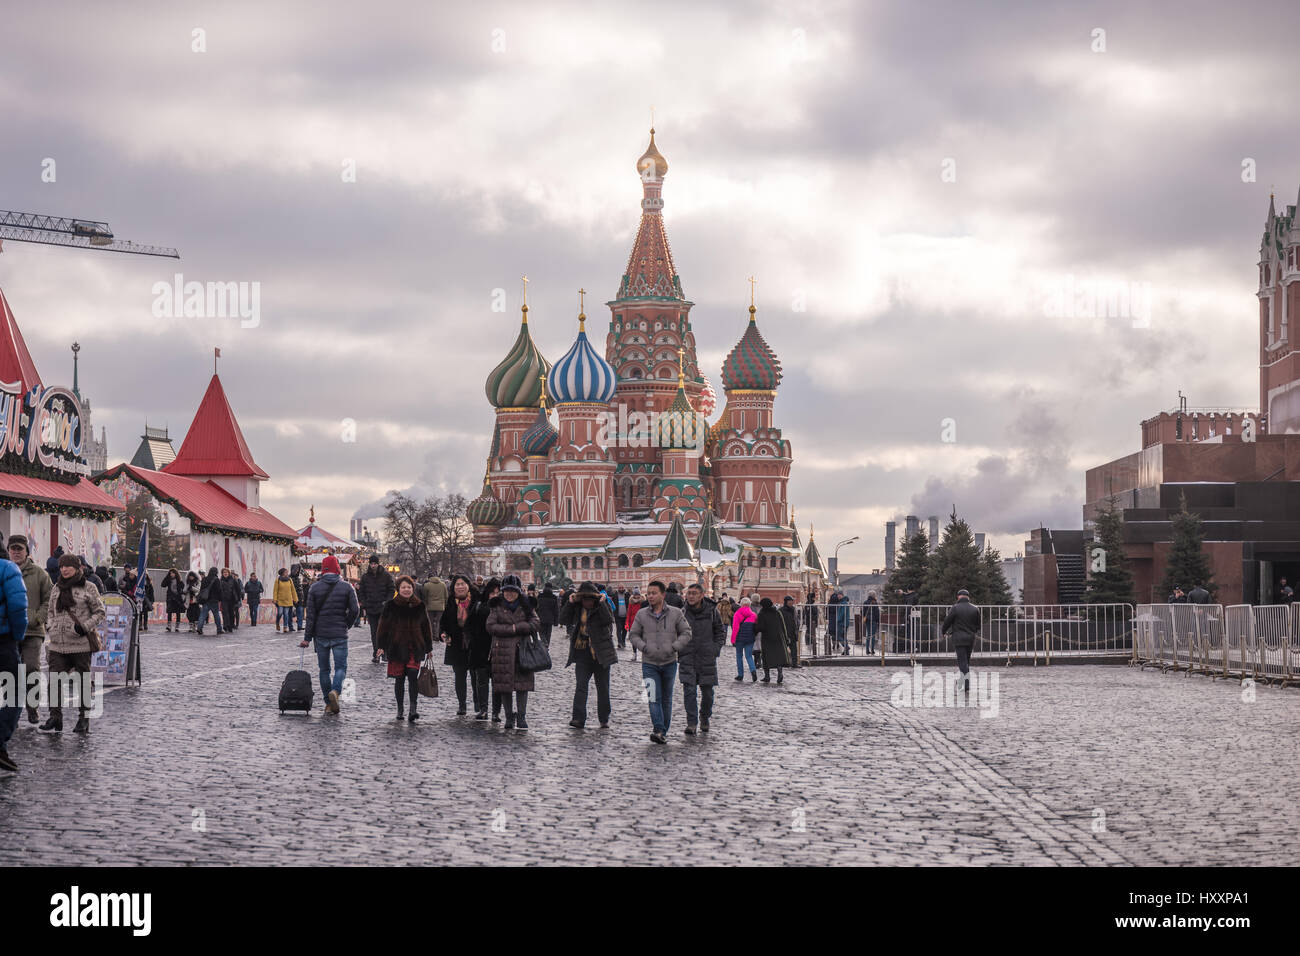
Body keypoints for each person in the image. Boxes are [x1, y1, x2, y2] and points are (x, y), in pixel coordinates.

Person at [42, 553, 102, 735]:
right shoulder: (56, 588)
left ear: (77, 568)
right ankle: (55, 717)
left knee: (82, 682)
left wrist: (84, 627)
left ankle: (84, 718)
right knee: (54, 682)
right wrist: (50, 626)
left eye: (67, 566)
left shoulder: (89, 587)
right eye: (61, 566)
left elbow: (99, 612)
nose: (64, 569)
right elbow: (50, 611)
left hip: (80, 644)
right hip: (57, 645)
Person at [629, 580, 691, 744]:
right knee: (652, 697)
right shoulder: (642, 614)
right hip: (649, 663)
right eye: (648, 593)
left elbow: (686, 632)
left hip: (669, 662)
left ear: (663, 595)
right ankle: (658, 729)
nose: (650, 596)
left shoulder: (676, 613)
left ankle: (663, 731)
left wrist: (675, 647)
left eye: (654, 593)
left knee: (666, 698)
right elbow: (633, 635)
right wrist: (643, 647)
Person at [298, 554, 359, 715]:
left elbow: (310, 616)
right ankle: (336, 692)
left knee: (324, 669)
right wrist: (346, 624)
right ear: (337, 568)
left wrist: (307, 638)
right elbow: (355, 610)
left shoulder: (314, 588)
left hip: (321, 635)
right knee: (341, 667)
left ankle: (327, 702)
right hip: (339, 634)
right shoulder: (347, 587)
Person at [561, 581, 617, 729]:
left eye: (590, 599)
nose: (588, 602)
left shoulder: (601, 607)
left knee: (603, 688)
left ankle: (604, 718)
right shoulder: (578, 608)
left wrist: (603, 603)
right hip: (583, 652)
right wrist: (570, 602)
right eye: (585, 599)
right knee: (581, 686)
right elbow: (562, 619)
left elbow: (608, 620)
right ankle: (578, 718)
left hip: (601, 653)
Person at [377, 575, 433, 722]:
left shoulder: (419, 605)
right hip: (397, 646)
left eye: (409, 587)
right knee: (400, 679)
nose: (406, 589)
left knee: (413, 675)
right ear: (398, 589)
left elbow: (426, 627)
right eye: (403, 587)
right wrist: (381, 646)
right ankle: (400, 709)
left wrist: (429, 648)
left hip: (415, 646)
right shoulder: (391, 605)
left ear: (412, 588)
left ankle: (413, 708)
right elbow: (383, 627)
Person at [485, 574, 537, 730]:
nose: (509, 594)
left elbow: (535, 623)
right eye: (506, 591)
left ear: (518, 592)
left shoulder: (527, 606)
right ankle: (508, 717)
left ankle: (521, 717)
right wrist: (511, 629)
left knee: (522, 686)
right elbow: (490, 626)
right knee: (504, 686)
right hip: (502, 651)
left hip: (522, 651)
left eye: (512, 591)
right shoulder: (496, 606)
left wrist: (518, 628)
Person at [7, 536, 48, 726]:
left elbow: (49, 599)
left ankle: (32, 708)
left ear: (27, 551)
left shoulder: (40, 574)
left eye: (19, 549)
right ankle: (10, 713)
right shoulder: (4, 571)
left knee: (32, 669)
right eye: (13, 549)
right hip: (9, 630)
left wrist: (37, 618)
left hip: (32, 632)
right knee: (9, 672)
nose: (16, 552)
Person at [440, 574, 491, 718]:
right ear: (453, 587)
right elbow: (444, 623)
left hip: (475, 644)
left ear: (468, 585)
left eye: (462, 584)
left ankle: (479, 704)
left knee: (477, 675)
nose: (460, 587)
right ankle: (462, 704)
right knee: (459, 676)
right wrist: (443, 634)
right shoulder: (451, 602)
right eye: (457, 584)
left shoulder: (477, 600)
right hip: (456, 644)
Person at [679, 583, 725, 735]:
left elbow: (720, 632)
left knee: (708, 693)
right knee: (689, 691)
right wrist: (679, 649)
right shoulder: (682, 612)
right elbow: (675, 632)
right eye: (689, 593)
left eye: (694, 593)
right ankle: (691, 722)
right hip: (688, 656)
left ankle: (705, 716)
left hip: (707, 657)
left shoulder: (712, 611)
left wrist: (715, 649)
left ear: (702, 595)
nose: (690, 596)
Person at [0, 550, 28, 771]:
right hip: (3, 641)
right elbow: (18, 607)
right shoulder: (7, 568)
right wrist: (18, 636)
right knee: (15, 692)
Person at [941, 588, 981, 693]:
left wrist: (943, 631)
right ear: (968, 597)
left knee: (962, 662)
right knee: (966, 661)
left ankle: (966, 684)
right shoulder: (975, 608)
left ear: (958, 596)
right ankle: (961, 680)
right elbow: (978, 625)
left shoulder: (955, 608)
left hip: (959, 638)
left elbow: (947, 621)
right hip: (971, 638)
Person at [358, 555, 395, 664]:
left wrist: (387, 602)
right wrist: (364, 603)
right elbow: (361, 592)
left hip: (383, 608)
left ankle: (384, 653)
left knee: (383, 631)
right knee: (374, 632)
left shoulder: (386, 576)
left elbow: (391, 590)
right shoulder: (365, 577)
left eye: (375, 563)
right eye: (371, 563)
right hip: (371, 608)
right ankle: (376, 654)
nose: (373, 565)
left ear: (378, 564)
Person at [754, 596, 790, 684]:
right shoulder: (777, 613)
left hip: (767, 638)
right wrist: (786, 638)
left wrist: (754, 629)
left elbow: (760, 627)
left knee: (766, 657)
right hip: (778, 637)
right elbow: (783, 625)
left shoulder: (762, 614)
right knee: (778, 657)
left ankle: (767, 676)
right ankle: (780, 673)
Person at [731, 597, 758, 681]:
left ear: (741, 604)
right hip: (750, 639)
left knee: (739, 656)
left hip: (739, 639)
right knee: (749, 656)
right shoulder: (753, 615)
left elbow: (735, 628)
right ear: (749, 605)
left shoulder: (737, 614)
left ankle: (740, 675)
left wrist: (733, 639)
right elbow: (756, 628)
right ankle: (753, 671)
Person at [420, 572, 447, 645]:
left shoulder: (427, 585)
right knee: (438, 622)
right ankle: (437, 635)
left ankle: (431, 636)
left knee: (430, 622)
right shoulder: (443, 584)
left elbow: (424, 596)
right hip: (441, 606)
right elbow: (446, 596)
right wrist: (445, 604)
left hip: (430, 606)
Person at [196, 567, 223, 635]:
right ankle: (219, 629)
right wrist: (220, 599)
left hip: (206, 600)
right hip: (214, 600)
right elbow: (219, 590)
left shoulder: (204, 579)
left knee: (203, 615)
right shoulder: (217, 580)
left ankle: (199, 628)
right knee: (216, 615)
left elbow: (201, 589)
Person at [273, 567, 297, 632]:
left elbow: (293, 590)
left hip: (288, 600)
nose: (287, 573)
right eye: (286, 572)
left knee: (286, 614)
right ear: (282, 573)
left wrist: (295, 598)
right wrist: (275, 599)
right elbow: (275, 590)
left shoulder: (290, 580)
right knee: (280, 613)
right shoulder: (278, 580)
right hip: (280, 600)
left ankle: (285, 627)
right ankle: (277, 622)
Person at [536, 582, 559, 648]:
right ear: (551, 588)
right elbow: (556, 610)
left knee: (541, 632)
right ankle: (546, 646)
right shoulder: (554, 597)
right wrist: (556, 621)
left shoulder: (540, 596)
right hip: (550, 619)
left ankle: (544, 642)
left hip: (541, 618)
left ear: (544, 587)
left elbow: (536, 608)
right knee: (548, 634)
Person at [780, 595, 801, 668]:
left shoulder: (793, 609)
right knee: (783, 649)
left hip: (792, 632)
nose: (792, 602)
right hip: (784, 632)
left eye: (792, 601)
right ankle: (783, 662)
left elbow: (796, 619)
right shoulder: (781, 610)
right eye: (790, 601)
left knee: (794, 649)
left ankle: (794, 663)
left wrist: (797, 627)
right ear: (786, 602)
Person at [624, 590, 644, 660]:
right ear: (633, 595)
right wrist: (627, 623)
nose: (637, 596)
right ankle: (634, 653)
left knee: (642, 639)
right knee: (633, 640)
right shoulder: (631, 603)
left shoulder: (642, 603)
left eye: (638, 594)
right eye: (636, 595)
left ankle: (643, 654)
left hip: (641, 624)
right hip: (632, 624)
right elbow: (628, 614)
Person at [291, 563, 308, 631]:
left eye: (298, 569)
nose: (297, 571)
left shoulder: (298, 578)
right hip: (292, 598)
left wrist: (302, 597)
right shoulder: (289, 578)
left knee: (300, 612)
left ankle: (299, 626)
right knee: (290, 613)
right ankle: (290, 626)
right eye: (296, 569)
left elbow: (300, 589)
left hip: (300, 598)